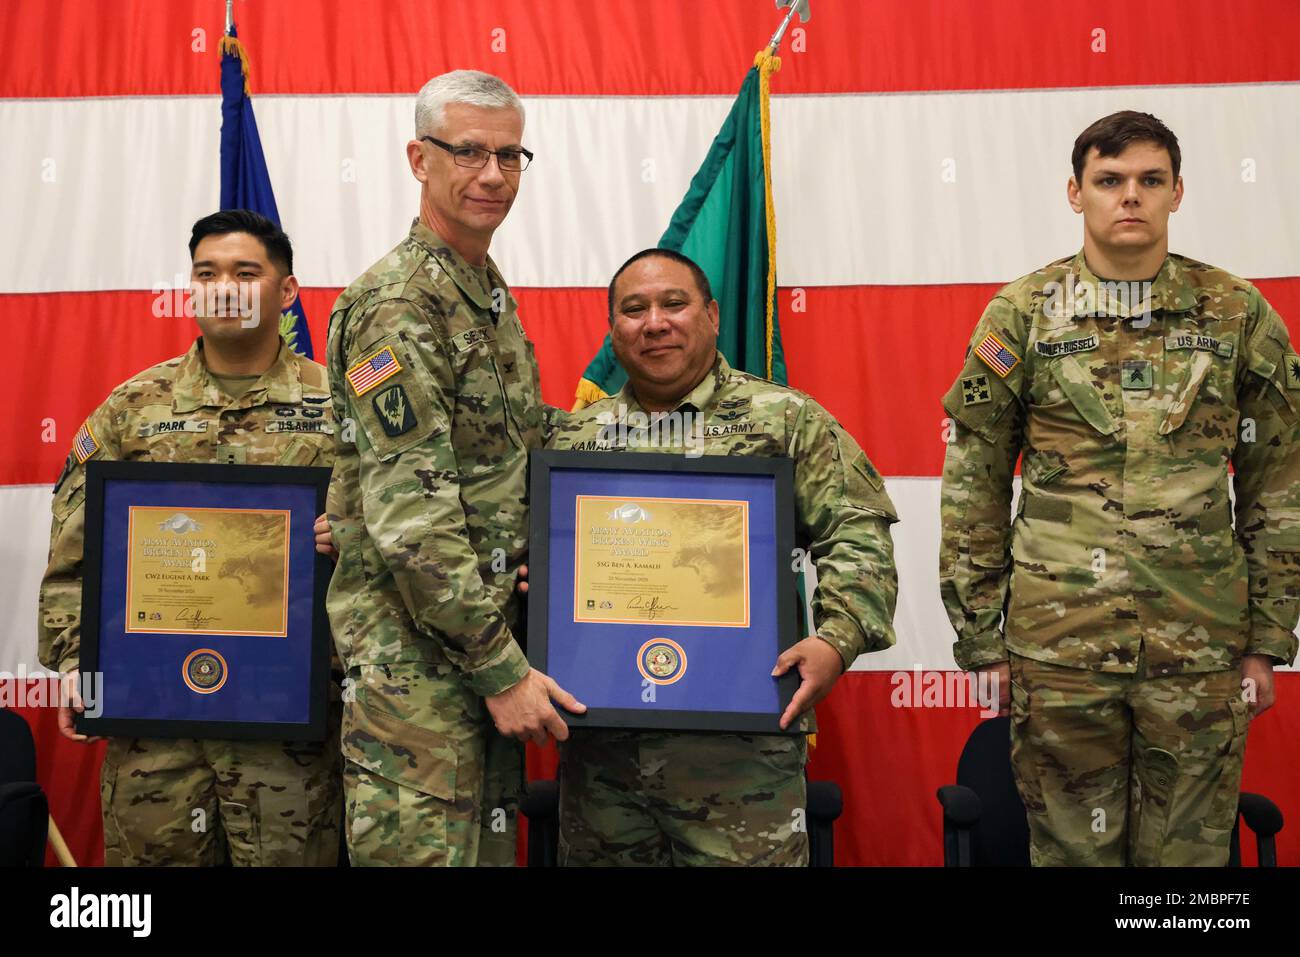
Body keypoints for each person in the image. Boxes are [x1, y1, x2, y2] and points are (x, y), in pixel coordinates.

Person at [939, 110, 1300, 866]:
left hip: (1199, 649)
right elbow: (974, 481)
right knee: (1073, 857)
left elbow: (1279, 483)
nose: (1128, 196)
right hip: (1059, 647)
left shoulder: (1236, 313)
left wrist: (1268, 639)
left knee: (1189, 872)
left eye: (1148, 181)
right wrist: (981, 636)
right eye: (1109, 180)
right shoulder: (1022, 314)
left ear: (1177, 192)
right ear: (1076, 193)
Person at [542, 248, 898, 865]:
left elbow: (858, 531)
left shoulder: (786, 422)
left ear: (710, 314)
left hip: (742, 763)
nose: (654, 322)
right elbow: (521, 559)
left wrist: (838, 639)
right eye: (634, 309)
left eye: (673, 303)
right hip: (603, 760)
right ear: (613, 330)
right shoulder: (575, 439)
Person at [323, 69, 582, 867]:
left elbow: (514, 448)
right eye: (468, 151)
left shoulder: (480, 290)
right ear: (418, 158)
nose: (493, 175)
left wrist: (680, 446)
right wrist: (501, 668)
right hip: (420, 674)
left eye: (509, 155)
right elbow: (412, 519)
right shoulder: (400, 304)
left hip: (474, 654)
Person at [39, 209, 342, 866]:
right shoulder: (132, 408)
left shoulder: (339, 408)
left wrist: (350, 537)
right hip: (156, 735)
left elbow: (401, 543)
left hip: (290, 735)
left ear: (287, 292)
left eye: (245, 272)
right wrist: (72, 662)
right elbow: (72, 559)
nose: (224, 287)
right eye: (207, 273)